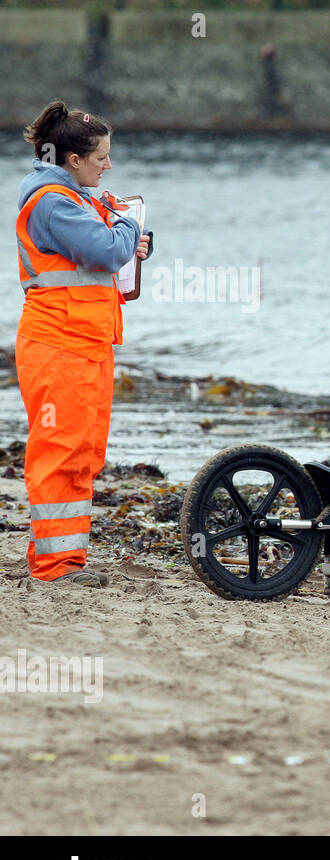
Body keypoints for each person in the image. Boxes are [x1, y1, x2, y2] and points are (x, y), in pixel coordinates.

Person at [16, 100, 151, 587]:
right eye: (101, 158)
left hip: (85, 343)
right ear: (73, 159)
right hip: (60, 345)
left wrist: (125, 236)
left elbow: (107, 252)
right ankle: (55, 566)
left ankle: (64, 559)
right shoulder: (53, 200)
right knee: (61, 452)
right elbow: (104, 249)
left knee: (84, 453)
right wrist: (128, 228)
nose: (108, 165)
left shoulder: (73, 196)